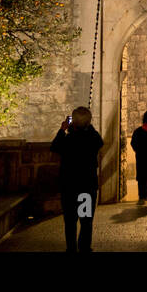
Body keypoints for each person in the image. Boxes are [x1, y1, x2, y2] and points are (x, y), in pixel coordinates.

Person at [51, 106, 103, 252]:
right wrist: (86, 125)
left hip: (69, 187)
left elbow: (54, 147)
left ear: (73, 122)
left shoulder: (67, 139)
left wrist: (63, 129)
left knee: (70, 221)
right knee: (86, 221)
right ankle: (84, 247)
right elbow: (99, 141)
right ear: (88, 122)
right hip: (86, 187)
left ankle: (71, 248)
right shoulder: (93, 138)